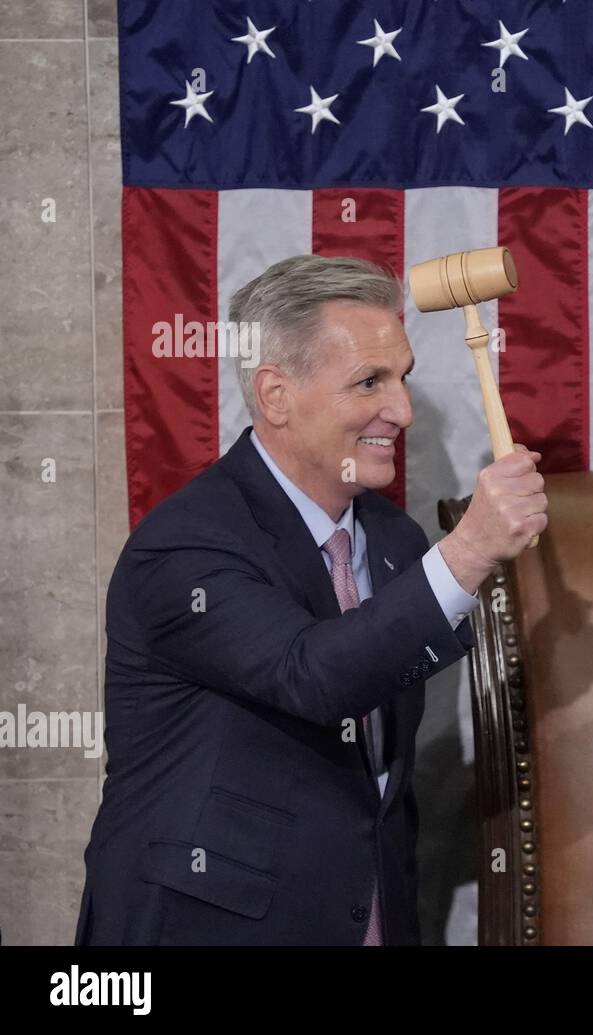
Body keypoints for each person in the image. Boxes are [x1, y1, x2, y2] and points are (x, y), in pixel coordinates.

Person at [74, 255, 547, 945]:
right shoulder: (182, 545)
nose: (403, 410)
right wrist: (469, 548)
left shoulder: (394, 538)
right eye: (369, 382)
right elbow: (314, 674)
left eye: (403, 378)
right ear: (275, 395)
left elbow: (381, 777)